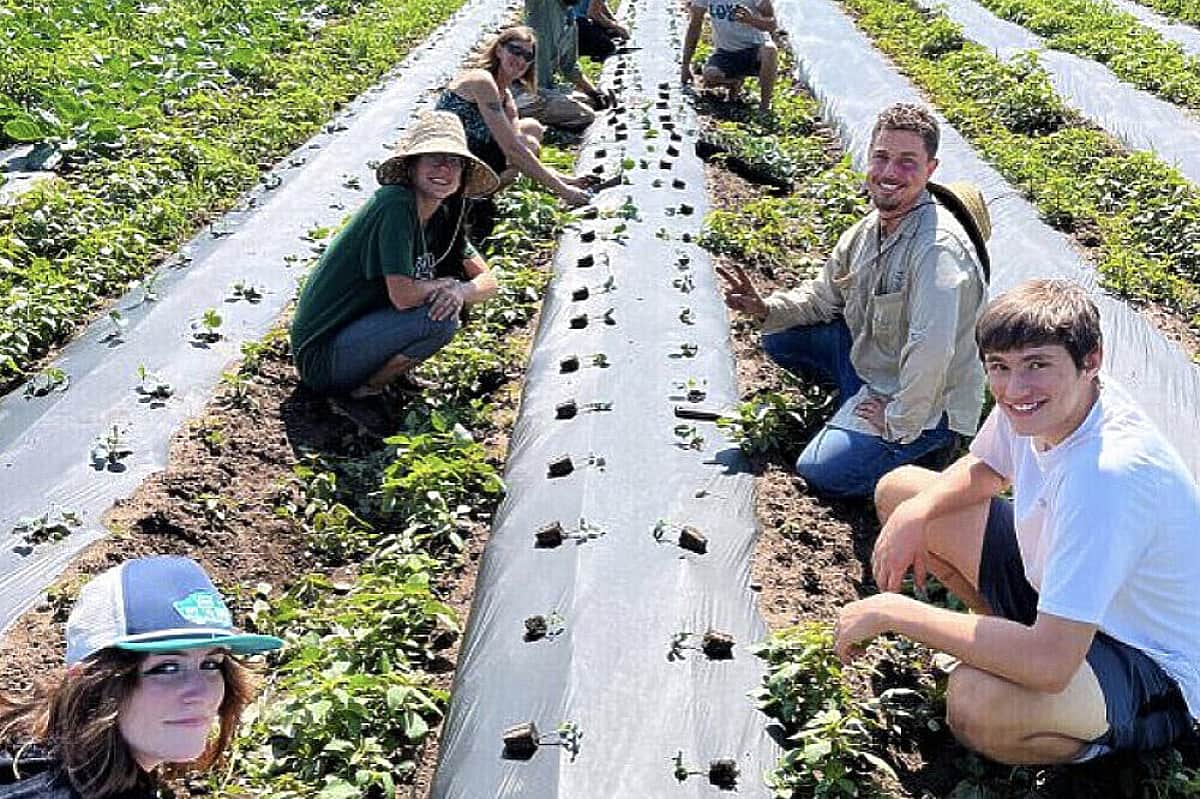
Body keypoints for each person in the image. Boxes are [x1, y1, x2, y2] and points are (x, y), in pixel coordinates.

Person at [837, 279, 1200, 764]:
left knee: (976, 704)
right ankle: (1005, 642)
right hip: (1068, 605)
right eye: (1000, 368)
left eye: (1037, 365)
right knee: (904, 492)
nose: (1014, 389)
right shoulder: (1042, 406)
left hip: (1150, 663)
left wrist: (896, 612)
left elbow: (1050, 664)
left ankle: (1095, 744)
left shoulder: (1107, 477)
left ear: (1090, 360)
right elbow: (988, 467)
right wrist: (915, 513)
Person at [718, 103, 989, 499]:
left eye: (907, 162)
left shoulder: (937, 251)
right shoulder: (865, 233)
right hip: (878, 365)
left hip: (929, 405)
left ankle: (927, 451)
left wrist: (897, 420)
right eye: (881, 157)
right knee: (781, 334)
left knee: (820, 472)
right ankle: (855, 404)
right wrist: (766, 308)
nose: (890, 172)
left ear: (931, 169)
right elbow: (821, 297)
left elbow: (932, 351)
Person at [289, 111, 500, 435]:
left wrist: (460, 290)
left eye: (454, 161)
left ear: (463, 172)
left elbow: (488, 281)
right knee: (440, 319)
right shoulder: (395, 205)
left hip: (359, 337)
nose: (444, 168)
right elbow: (403, 297)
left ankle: (387, 379)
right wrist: (445, 285)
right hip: (324, 356)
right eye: (434, 158)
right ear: (412, 166)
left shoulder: (444, 215)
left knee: (447, 303)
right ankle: (363, 392)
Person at [0, 556, 283, 798]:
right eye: (167, 668)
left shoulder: (31, 750)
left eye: (211, 664)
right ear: (92, 685)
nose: (202, 693)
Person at [436, 26, 591, 213]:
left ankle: (477, 195)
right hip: (446, 160)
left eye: (527, 56)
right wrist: (565, 191)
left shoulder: (506, 96)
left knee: (531, 129)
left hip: (474, 155)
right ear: (499, 50)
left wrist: (565, 179)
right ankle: (468, 199)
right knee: (522, 147)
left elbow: (517, 147)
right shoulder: (482, 81)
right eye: (515, 51)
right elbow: (512, 150)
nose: (520, 60)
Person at [518, 0, 610, 131]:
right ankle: (530, 121)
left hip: (546, 89)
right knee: (585, 115)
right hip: (527, 92)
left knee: (589, 101)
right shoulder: (542, 5)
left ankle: (547, 114)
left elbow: (570, 67)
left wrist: (594, 92)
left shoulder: (570, 19)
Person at [680, 0, 780, 114]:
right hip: (726, 53)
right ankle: (734, 82)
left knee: (770, 50)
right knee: (710, 76)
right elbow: (694, 26)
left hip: (754, 50)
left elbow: (772, 24)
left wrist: (751, 20)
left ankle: (764, 107)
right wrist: (685, 65)